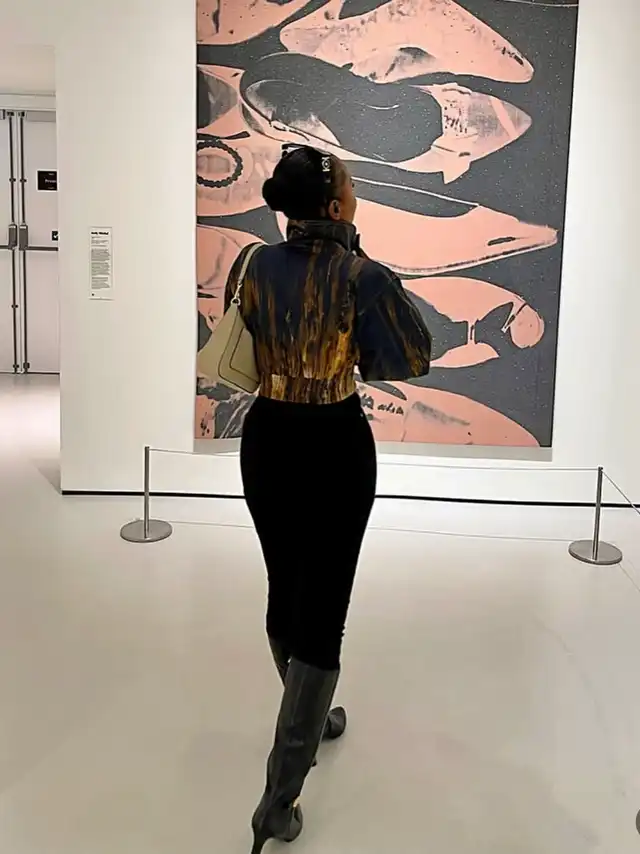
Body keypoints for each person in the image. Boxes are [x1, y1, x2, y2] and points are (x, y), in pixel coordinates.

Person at [222, 144, 432, 853]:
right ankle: (276, 801)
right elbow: (410, 356)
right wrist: (356, 260)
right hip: (334, 445)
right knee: (325, 611)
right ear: (338, 206)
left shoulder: (252, 264)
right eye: (351, 186)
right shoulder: (361, 275)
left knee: (285, 588)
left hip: (268, 440)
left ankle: (310, 713)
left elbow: (243, 331)